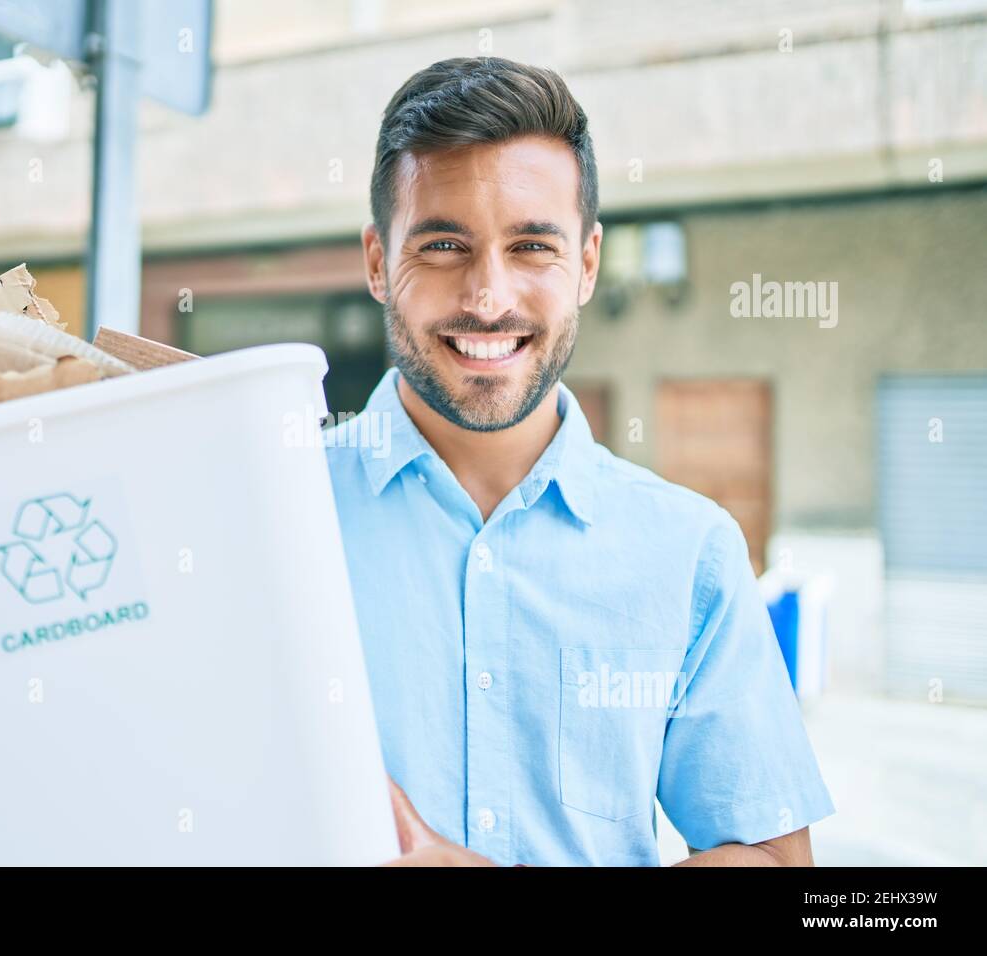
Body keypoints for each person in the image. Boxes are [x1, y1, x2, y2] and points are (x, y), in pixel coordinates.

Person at [326, 56, 835, 866]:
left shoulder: (688, 551)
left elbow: (775, 861)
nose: (488, 297)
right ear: (380, 264)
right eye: (445, 245)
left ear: (588, 264)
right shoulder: (276, 513)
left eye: (531, 246)